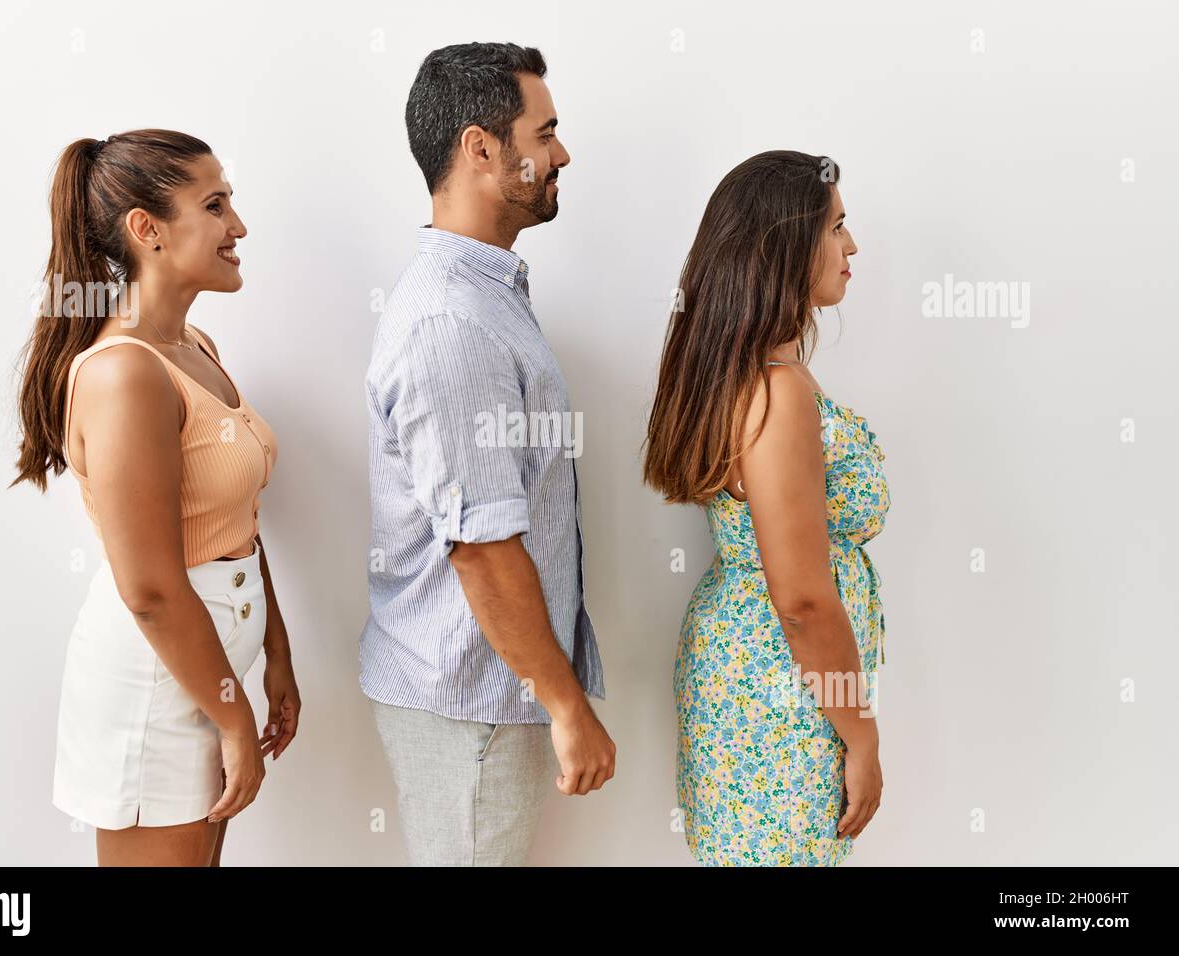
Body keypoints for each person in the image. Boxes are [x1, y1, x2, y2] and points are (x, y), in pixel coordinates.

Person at [10, 129, 301, 866]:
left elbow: (236, 523)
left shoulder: (194, 347)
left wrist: (275, 652)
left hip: (213, 670)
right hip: (157, 682)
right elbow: (149, 588)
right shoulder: (124, 376)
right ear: (147, 230)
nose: (237, 225)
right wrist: (234, 722)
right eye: (215, 204)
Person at [361, 43, 615, 866]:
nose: (562, 154)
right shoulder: (452, 322)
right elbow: (481, 543)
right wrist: (566, 702)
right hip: (471, 698)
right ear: (480, 148)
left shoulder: (483, 297)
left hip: (485, 693)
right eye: (544, 133)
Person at [643, 150, 888, 866]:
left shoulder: (749, 371)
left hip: (753, 674)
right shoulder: (778, 392)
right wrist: (861, 735)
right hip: (781, 686)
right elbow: (805, 600)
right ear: (785, 245)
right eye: (837, 227)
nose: (852, 246)